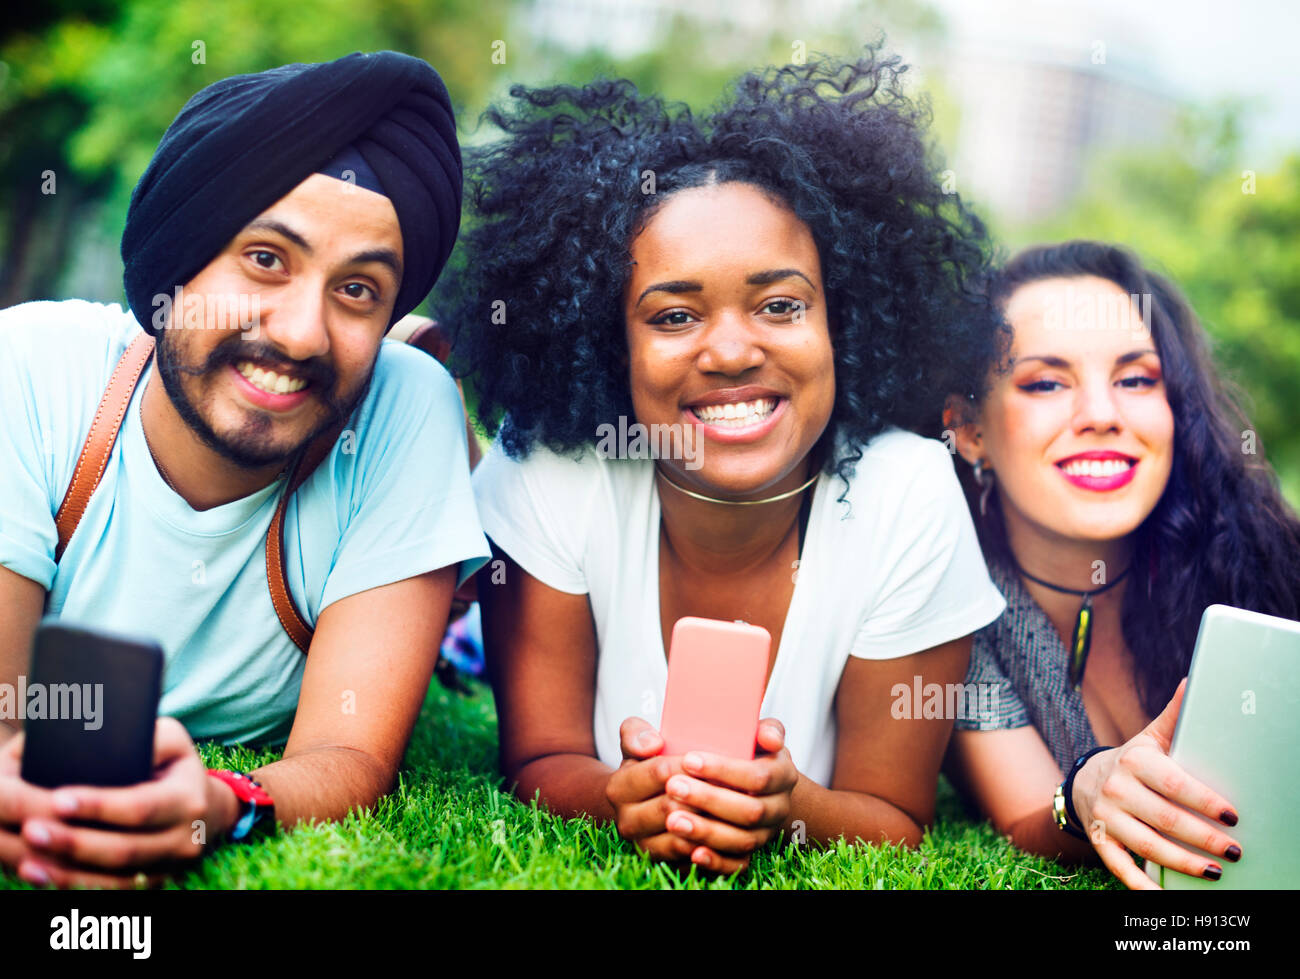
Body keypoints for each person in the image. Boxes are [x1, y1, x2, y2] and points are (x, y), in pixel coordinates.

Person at [448, 49, 1009, 874]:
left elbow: (891, 815)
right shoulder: (554, 466)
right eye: (674, 315)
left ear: (841, 322)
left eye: (781, 305)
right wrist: (618, 800)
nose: (733, 350)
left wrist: (791, 808)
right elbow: (539, 761)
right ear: (612, 347)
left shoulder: (907, 492)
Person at [0, 51, 490, 888]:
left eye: (360, 291)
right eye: (265, 259)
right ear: (179, 261)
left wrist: (221, 803)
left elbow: (349, 752)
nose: (301, 333)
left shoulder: (405, 405)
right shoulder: (32, 368)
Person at [945, 240, 1300, 889]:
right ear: (970, 429)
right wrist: (1086, 791)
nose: (1103, 416)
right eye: (1046, 382)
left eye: (1136, 378)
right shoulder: (951, 597)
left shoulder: (1255, 551)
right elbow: (1028, 811)